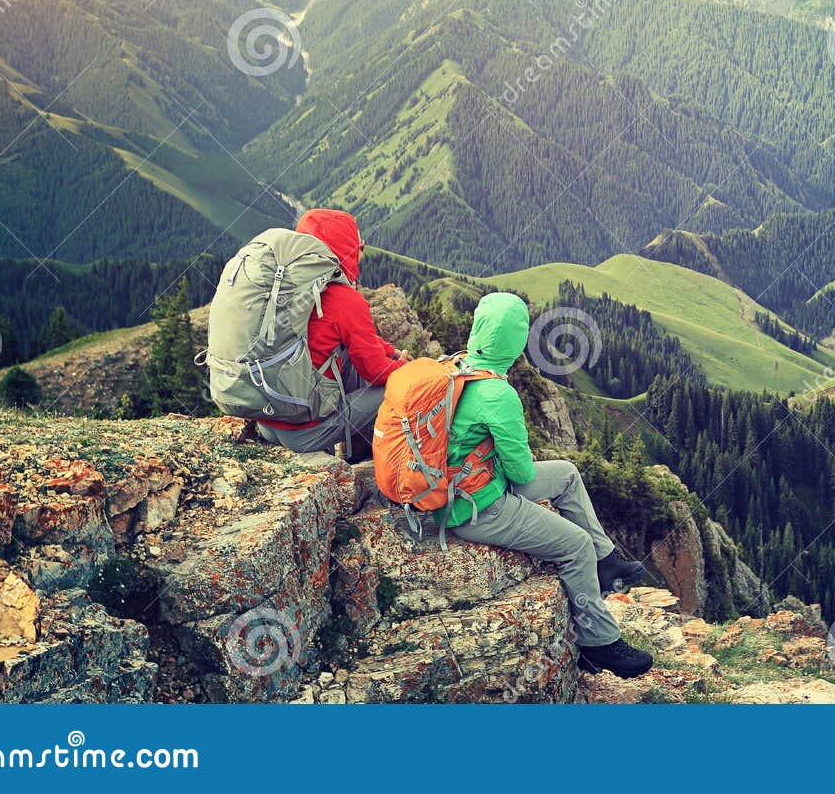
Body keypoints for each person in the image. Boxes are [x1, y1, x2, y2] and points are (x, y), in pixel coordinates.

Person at [440, 291, 654, 678]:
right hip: (476, 505)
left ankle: (605, 562)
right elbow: (521, 474)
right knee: (574, 546)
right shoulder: (496, 393)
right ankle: (599, 643)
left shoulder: (454, 366)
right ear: (517, 341)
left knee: (567, 474)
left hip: (466, 484)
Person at [256, 208, 409, 460]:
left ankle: (357, 448)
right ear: (345, 250)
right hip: (305, 433)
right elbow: (375, 370)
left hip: (268, 420)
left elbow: (359, 339)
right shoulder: (344, 299)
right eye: (359, 247)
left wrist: (390, 351)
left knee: (349, 356)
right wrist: (402, 368)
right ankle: (365, 457)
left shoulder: (282, 285)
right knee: (394, 387)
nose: (361, 253)